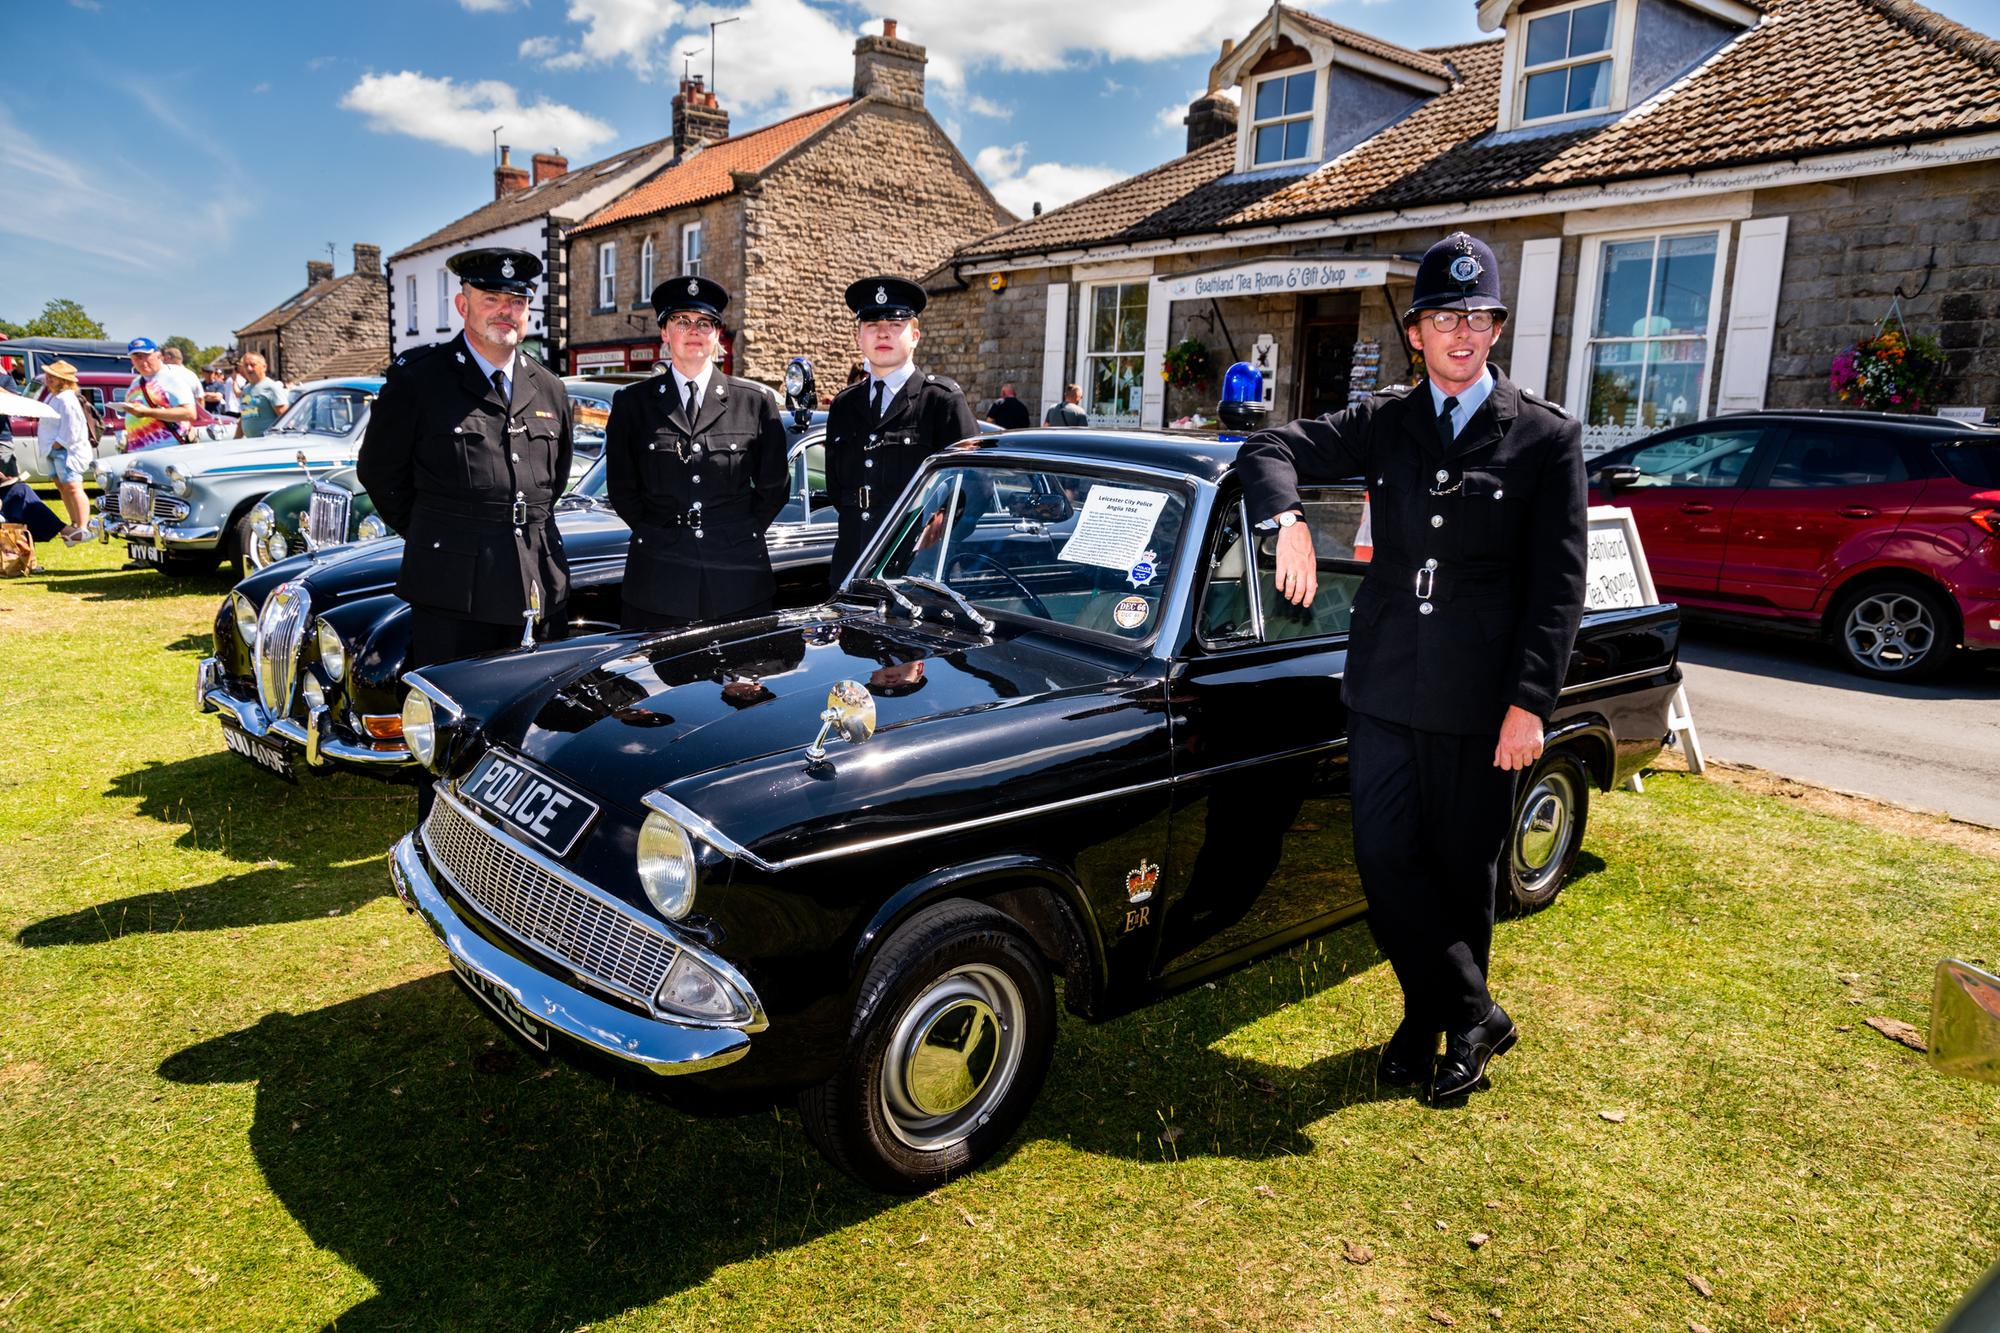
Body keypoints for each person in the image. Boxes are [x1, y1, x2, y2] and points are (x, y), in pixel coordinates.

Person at [1237, 230, 1587, 1103]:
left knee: (1462, 871)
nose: (1462, 333)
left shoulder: (1545, 438)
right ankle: (1474, 1011)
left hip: (1481, 704)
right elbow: (1267, 451)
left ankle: (1432, 1020)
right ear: (1418, 332)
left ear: (1496, 330)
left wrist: (1529, 704)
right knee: (1385, 863)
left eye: (1478, 317)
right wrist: (1287, 526)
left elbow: (1558, 590)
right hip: (1386, 687)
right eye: (1445, 317)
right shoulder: (1386, 421)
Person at [356, 246, 574, 700]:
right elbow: (380, 473)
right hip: (453, 589)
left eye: (516, 302)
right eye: (491, 299)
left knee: (531, 709)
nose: (505, 312)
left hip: (535, 578)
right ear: (463, 305)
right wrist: (440, 534)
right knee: (452, 716)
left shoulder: (549, 386)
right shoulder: (420, 380)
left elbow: (552, 481)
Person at [603, 275, 789, 629]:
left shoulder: (755, 403)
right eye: (681, 321)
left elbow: (774, 489)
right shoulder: (633, 404)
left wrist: (734, 533)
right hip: (658, 578)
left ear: (717, 335)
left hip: (737, 578)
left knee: (741, 679)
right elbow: (623, 490)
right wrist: (659, 533)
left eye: (704, 323)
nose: (694, 330)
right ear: (664, 332)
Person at [824, 275, 977, 582]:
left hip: (916, 571)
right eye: (871, 325)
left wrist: (933, 532)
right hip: (852, 567)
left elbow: (975, 486)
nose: (883, 333)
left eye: (895, 325)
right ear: (858, 338)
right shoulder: (844, 406)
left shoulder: (941, 401)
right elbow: (839, 491)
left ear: (915, 335)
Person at [36, 359, 94, 544]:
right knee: (63, 487)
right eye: (48, 376)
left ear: (64, 380)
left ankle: (84, 527)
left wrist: (58, 444)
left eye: (53, 377)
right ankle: (75, 524)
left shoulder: (67, 398)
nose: (48, 379)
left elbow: (73, 427)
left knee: (74, 487)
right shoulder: (54, 396)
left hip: (66, 451)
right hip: (54, 450)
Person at [118, 338, 198, 451]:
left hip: (167, 452)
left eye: (145, 355)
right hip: (137, 452)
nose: (141, 361)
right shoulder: (135, 382)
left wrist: (147, 412)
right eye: (136, 357)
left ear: (158, 356)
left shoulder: (172, 379)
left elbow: (190, 413)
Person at [236, 353, 287, 438]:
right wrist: (235, 440)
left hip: (268, 443)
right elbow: (244, 416)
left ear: (264, 367)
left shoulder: (270, 387)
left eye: (253, 365)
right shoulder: (246, 389)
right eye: (245, 365)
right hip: (251, 443)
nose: (249, 368)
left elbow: (285, 417)